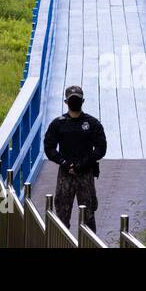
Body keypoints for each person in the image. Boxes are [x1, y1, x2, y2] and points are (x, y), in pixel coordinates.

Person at [43, 85, 107, 232]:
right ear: (66, 102)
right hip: (65, 174)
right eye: (72, 100)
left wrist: (83, 164)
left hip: (85, 174)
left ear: (82, 101)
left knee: (88, 215)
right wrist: (64, 163)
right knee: (62, 216)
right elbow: (49, 147)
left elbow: (101, 148)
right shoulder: (58, 124)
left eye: (77, 99)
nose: (74, 102)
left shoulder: (92, 123)